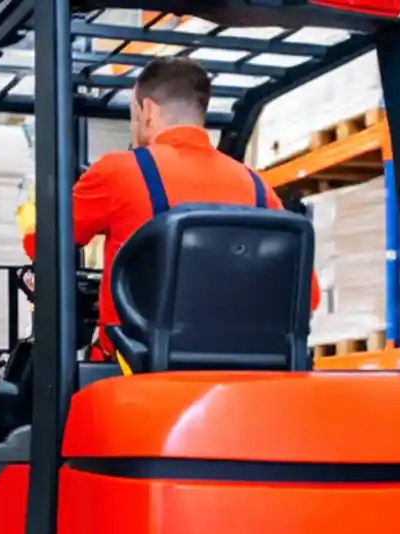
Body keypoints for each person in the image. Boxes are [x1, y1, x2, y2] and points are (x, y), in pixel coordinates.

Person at [21, 56, 321, 361]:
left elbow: (42, 244)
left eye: (133, 115)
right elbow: (308, 295)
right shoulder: (258, 187)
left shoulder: (120, 171)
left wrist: (31, 214)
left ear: (147, 111)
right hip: (242, 375)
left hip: (136, 373)